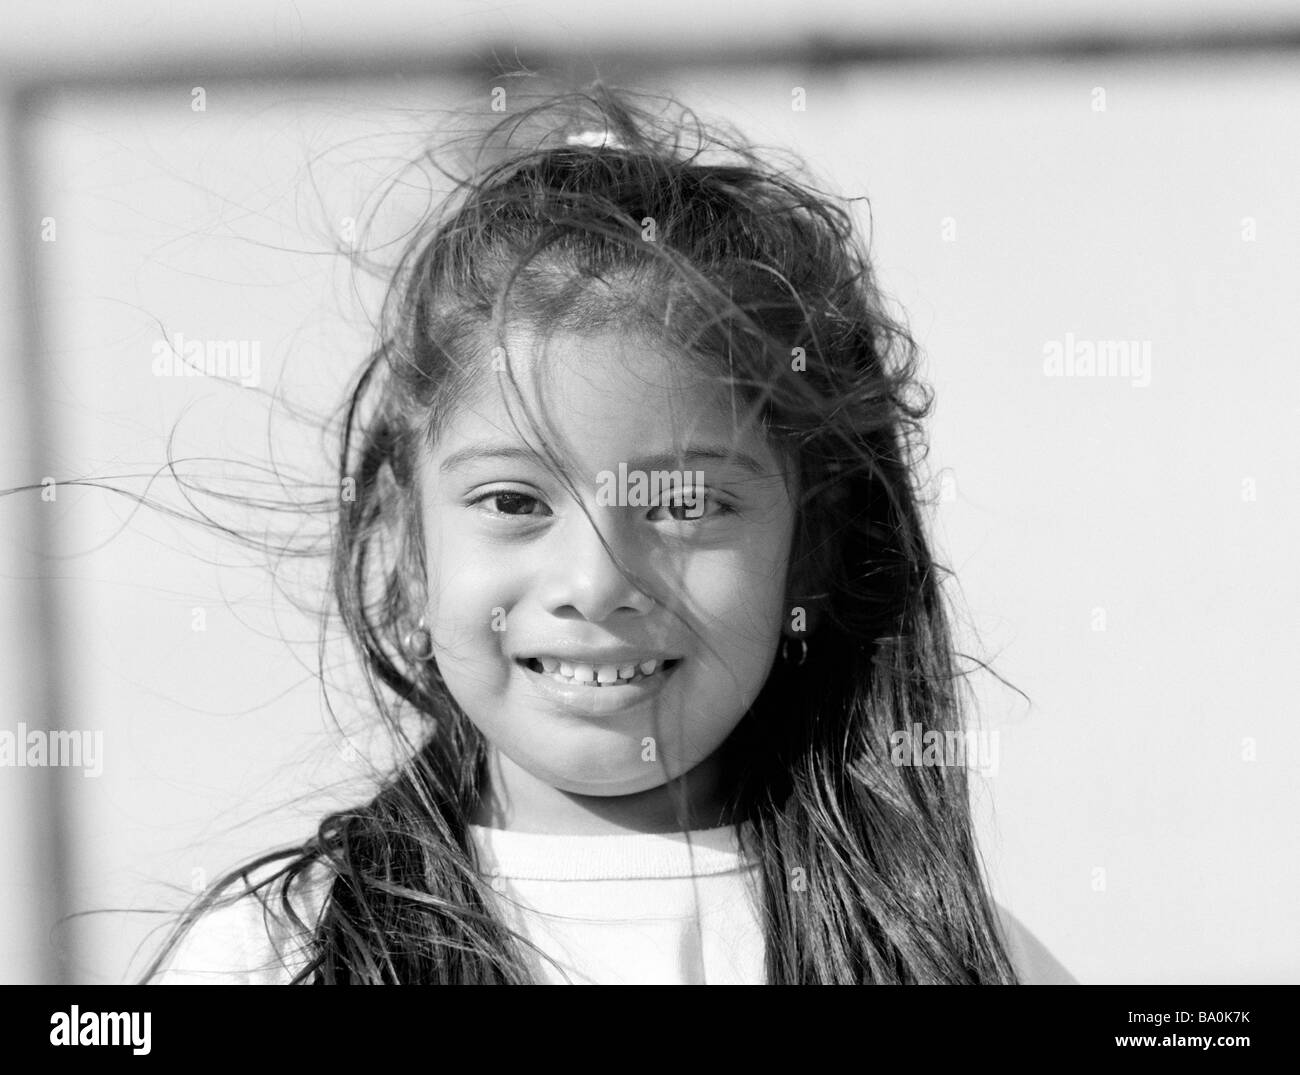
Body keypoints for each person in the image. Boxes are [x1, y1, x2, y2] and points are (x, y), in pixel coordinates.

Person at [144, 80, 1075, 985]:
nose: (595, 582)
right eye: (515, 503)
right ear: (409, 541)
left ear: (812, 548)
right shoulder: (275, 956)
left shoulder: (953, 956)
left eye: (685, 503)